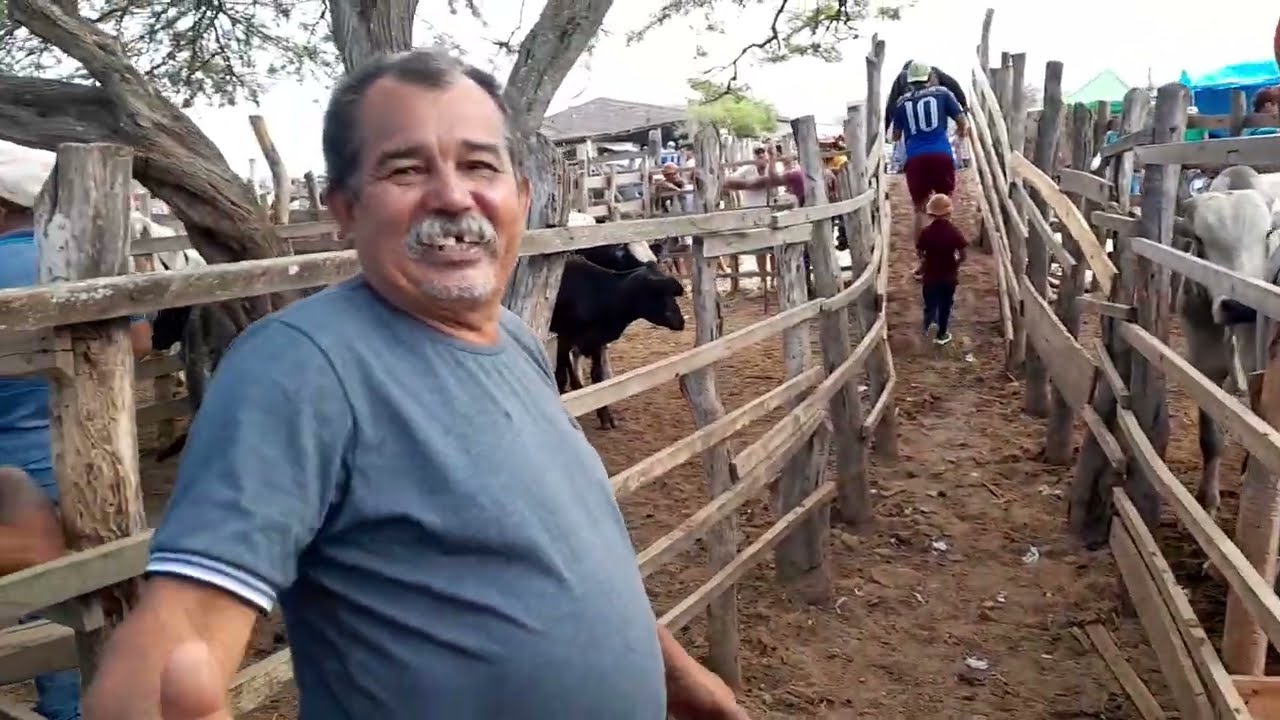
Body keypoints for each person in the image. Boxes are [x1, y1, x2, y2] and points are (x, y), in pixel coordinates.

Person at [82, 48, 749, 720]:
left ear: (521, 196)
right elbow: (179, 633)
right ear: (343, 207)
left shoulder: (516, 341)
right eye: (406, 169)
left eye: (480, 165)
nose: (454, 195)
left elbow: (569, 556)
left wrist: (676, 676)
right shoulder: (301, 367)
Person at [0, 149, 153, 720]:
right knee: (88, 597)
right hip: (93, 452)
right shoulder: (84, 259)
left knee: (31, 597)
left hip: (8, 453)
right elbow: (137, 344)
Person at [891, 60, 968, 242]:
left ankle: (922, 252)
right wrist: (960, 134)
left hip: (916, 158)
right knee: (944, 202)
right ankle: (947, 244)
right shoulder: (943, 94)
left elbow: (895, 136)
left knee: (919, 208)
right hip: (941, 154)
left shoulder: (902, 102)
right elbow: (962, 122)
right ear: (928, 78)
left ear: (909, 81)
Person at [915, 193, 967, 346]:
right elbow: (963, 254)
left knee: (930, 303)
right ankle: (941, 334)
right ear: (949, 213)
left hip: (930, 276)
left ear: (930, 214)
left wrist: (923, 265)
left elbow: (920, 253)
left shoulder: (926, 232)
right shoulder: (954, 232)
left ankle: (929, 324)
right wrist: (956, 264)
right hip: (949, 276)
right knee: (945, 305)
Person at [884, 59, 969, 130]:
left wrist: (886, 127)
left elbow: (891, 104)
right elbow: (954, 86)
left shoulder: (902, 77)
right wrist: (964, 105)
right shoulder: (935, 73)